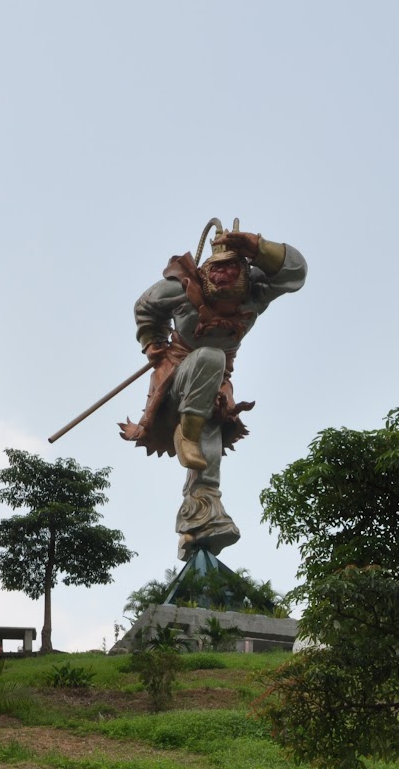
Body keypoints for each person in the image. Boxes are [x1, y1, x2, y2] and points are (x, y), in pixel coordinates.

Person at [119, 223, 306, 558]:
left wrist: (258, 246)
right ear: (205, 272)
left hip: (216, 379)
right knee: (208, 356)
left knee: (210, 435)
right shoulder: (184, 286)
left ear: (246, 273)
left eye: (232, 268)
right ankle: (184, 433)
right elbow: (145, 307)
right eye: (217, 269)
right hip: (176, 374)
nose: (223, 276)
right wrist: (153, 341)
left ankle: (201, 518)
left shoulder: (255, 290)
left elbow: (295, 271)